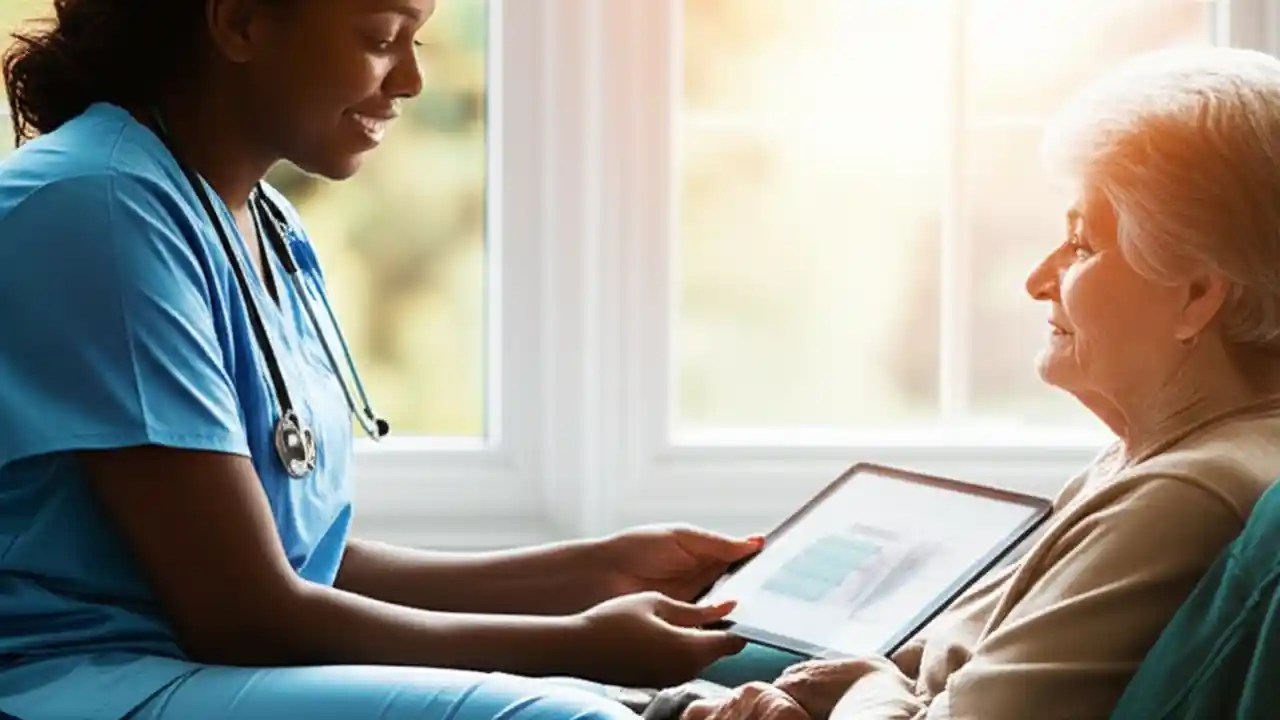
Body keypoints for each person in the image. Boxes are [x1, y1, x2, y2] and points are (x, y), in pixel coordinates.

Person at [0, 1, 759, 719]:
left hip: (221, 660)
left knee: (747, 658)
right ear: (239, 22)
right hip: (85, 684)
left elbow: (306, 565)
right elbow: (244, 615)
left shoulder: (263, 221)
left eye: (416, 38)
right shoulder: (95, 206)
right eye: (380, 36)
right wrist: (577, 646)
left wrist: (592, 575)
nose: (412, 81)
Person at [677, 46, 1280, 720]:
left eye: (1081, 246)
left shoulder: (1184, 495)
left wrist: (859, 688)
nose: (1037, 280)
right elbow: (950, 664)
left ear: (1197, 293)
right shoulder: (1164, 451)